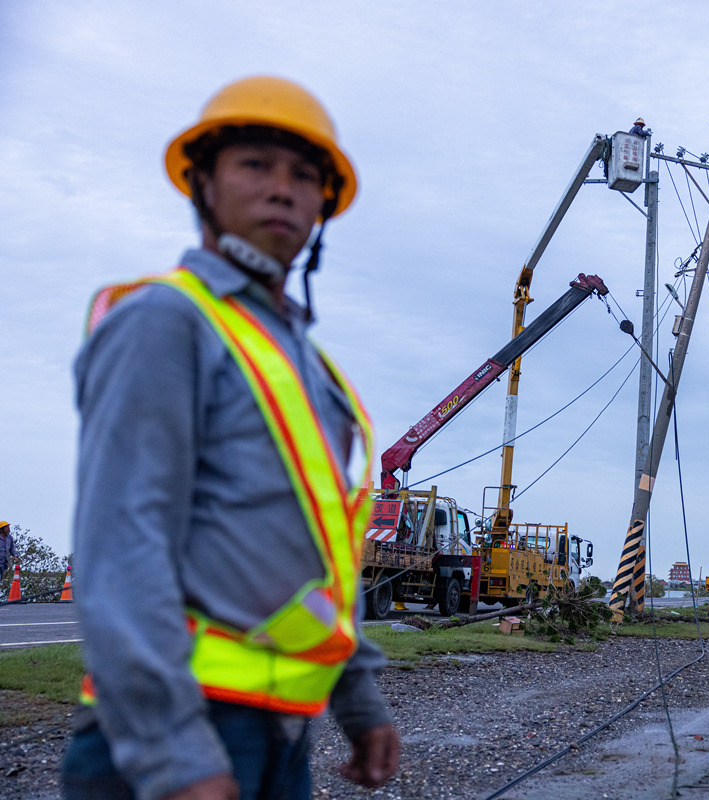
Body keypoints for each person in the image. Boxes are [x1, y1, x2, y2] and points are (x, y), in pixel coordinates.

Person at [62, 76, 400, 800]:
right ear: (203, 184)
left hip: (279, 737)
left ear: (323, 205)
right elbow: (123, 545)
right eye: (255, 164)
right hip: (176, 739)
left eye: (304, 175)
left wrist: (360, 701)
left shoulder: (307, 365)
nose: (283, 189)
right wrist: (175, 756)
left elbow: (320, 558)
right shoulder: (165, 321)